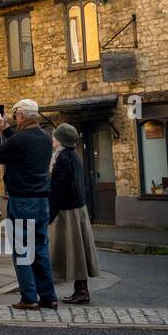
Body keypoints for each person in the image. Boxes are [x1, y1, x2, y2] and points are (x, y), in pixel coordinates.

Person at [0, 98, 57, 310]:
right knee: (41, 250)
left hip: (22, 200)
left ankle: (29, 297)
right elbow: (20, 144)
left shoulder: (21, 140)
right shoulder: (44, 137)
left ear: (20, 115)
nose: (14, 118)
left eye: (15, 115)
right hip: (42, 201)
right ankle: (49, 296)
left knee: (22, 251)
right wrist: (8, 130)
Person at [48, 123, 100, 304]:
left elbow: (59, 188)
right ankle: (80, 289)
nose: (52, 139)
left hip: (68, 210)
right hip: (77, 207)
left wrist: (51, 212)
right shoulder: (73, 156)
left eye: (55, 136)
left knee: (75, 250)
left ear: (61, 140)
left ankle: (81, 291)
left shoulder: (63, 158)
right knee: (78, 250)